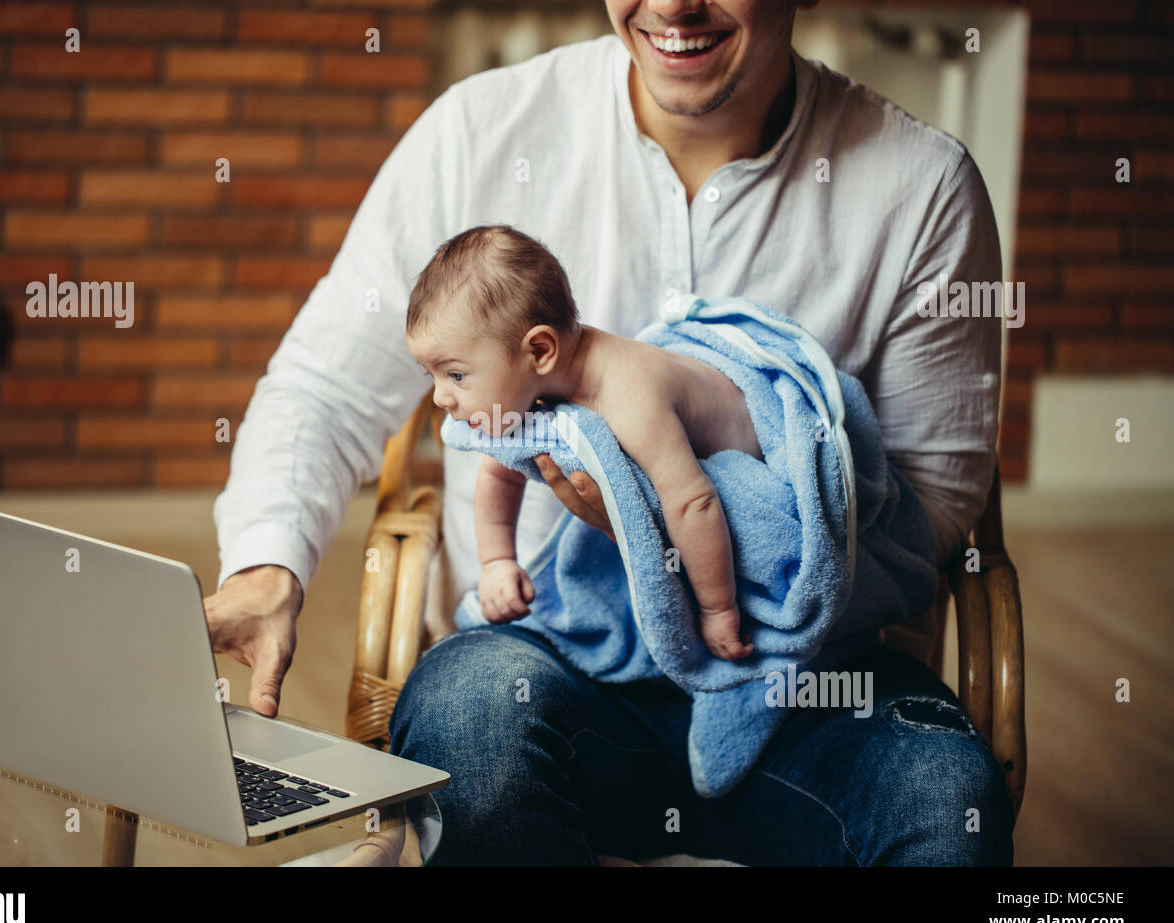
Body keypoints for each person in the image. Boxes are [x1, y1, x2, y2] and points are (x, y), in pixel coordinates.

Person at [205, 0, 1013, 865]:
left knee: (944, 799)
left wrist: (710, 552)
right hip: (548, 662)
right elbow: (323, 391)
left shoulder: (921, 186)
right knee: (468, 722)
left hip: (803, 682)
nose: (671, 3)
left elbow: (934, 504)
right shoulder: (478, 131)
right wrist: (266, 568)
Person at [405, 223, 761, 662]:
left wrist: (718, 608)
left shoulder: (630, 394)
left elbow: (694, 503)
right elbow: (502, 468)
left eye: (456, 375)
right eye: (433, 375)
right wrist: (497, 562)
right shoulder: (531, 387)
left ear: (539, 351)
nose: (441, 397)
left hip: (746, 456)